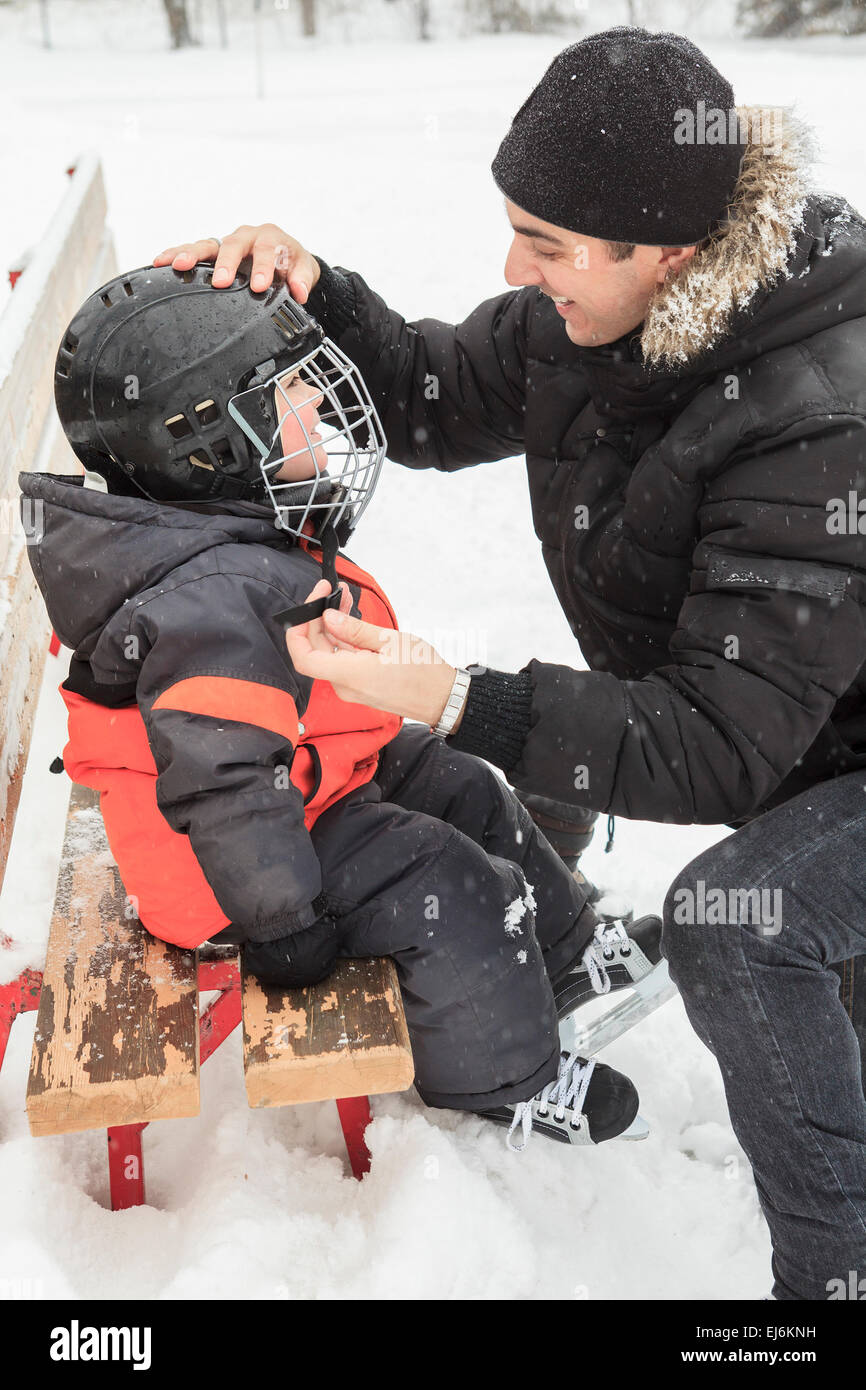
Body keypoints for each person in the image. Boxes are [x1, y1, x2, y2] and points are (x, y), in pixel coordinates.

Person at [155, 27, 866, 1299]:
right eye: (513, 226)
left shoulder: (814, 418)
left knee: (739, 930)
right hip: (801, 725)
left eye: (545, 242)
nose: (512, 266)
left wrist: (452, 697)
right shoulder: (582, 320)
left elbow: (707, 742)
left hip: (813, 747)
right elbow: (431, 390)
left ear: (674, 253)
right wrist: (311, 289)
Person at [21, 259, 666, 1153]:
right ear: (209, 443)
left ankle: (568, 950)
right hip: (226, 873)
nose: (324, 414)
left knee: (461, 784)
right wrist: (280, 921)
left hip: (300, 784)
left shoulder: (220, 536)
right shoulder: (208, 597)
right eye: (295, 401)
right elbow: (224, 785)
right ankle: (504, 1078)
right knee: (444, 876)